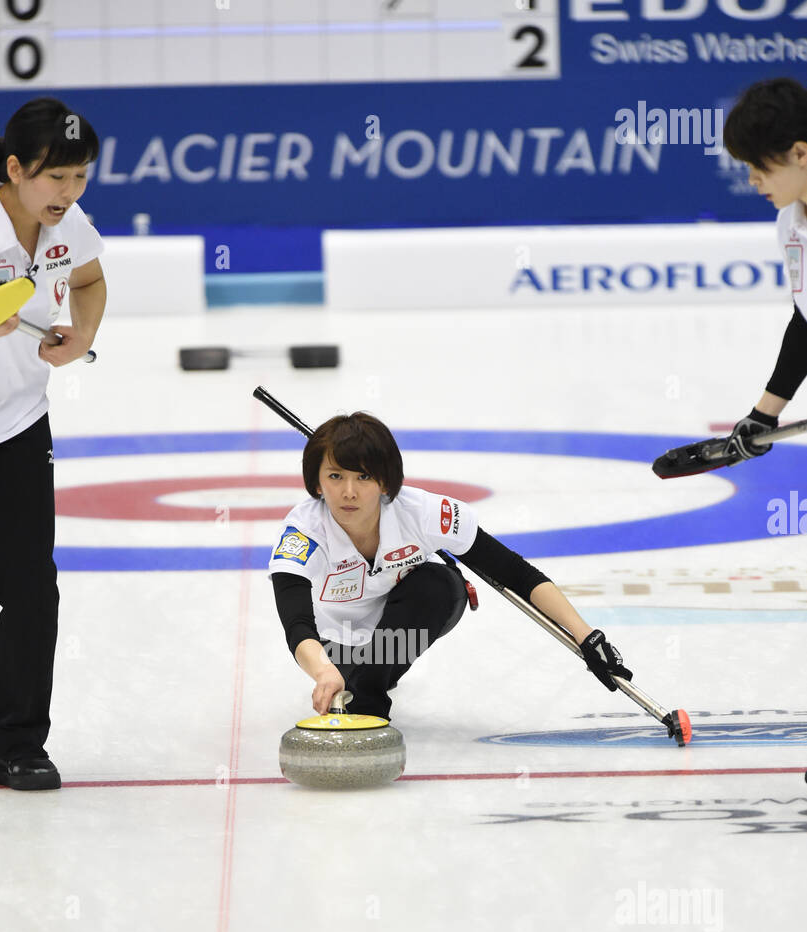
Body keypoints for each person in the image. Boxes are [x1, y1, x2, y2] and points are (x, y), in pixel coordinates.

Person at [0, 97, 105, 790]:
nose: (67, 194)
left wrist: (84, 336)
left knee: (33, 587)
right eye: (54, 178)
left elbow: (91, 280)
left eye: (80, 177)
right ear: (14, 168)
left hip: (16, 429)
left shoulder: (69, 229)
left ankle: (17, 745)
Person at [268, 412, 632, 719]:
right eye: (335, 476)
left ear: (385, 482)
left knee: (440, 583)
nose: (349, 491)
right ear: (316, 484)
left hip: (397, 638)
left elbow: (517, 574)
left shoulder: (424, 514)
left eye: (363, 476)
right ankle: (362, 686)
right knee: (351, 670)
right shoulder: (302, 534)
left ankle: (369, 700)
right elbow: (296, 624)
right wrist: (323, 671)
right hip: (335, 649)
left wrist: (587, 638)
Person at [721, 77, 807, 458]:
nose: (753, 180)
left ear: (801, 153)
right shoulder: (790, 224)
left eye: (759, 166)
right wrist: (763, 416)